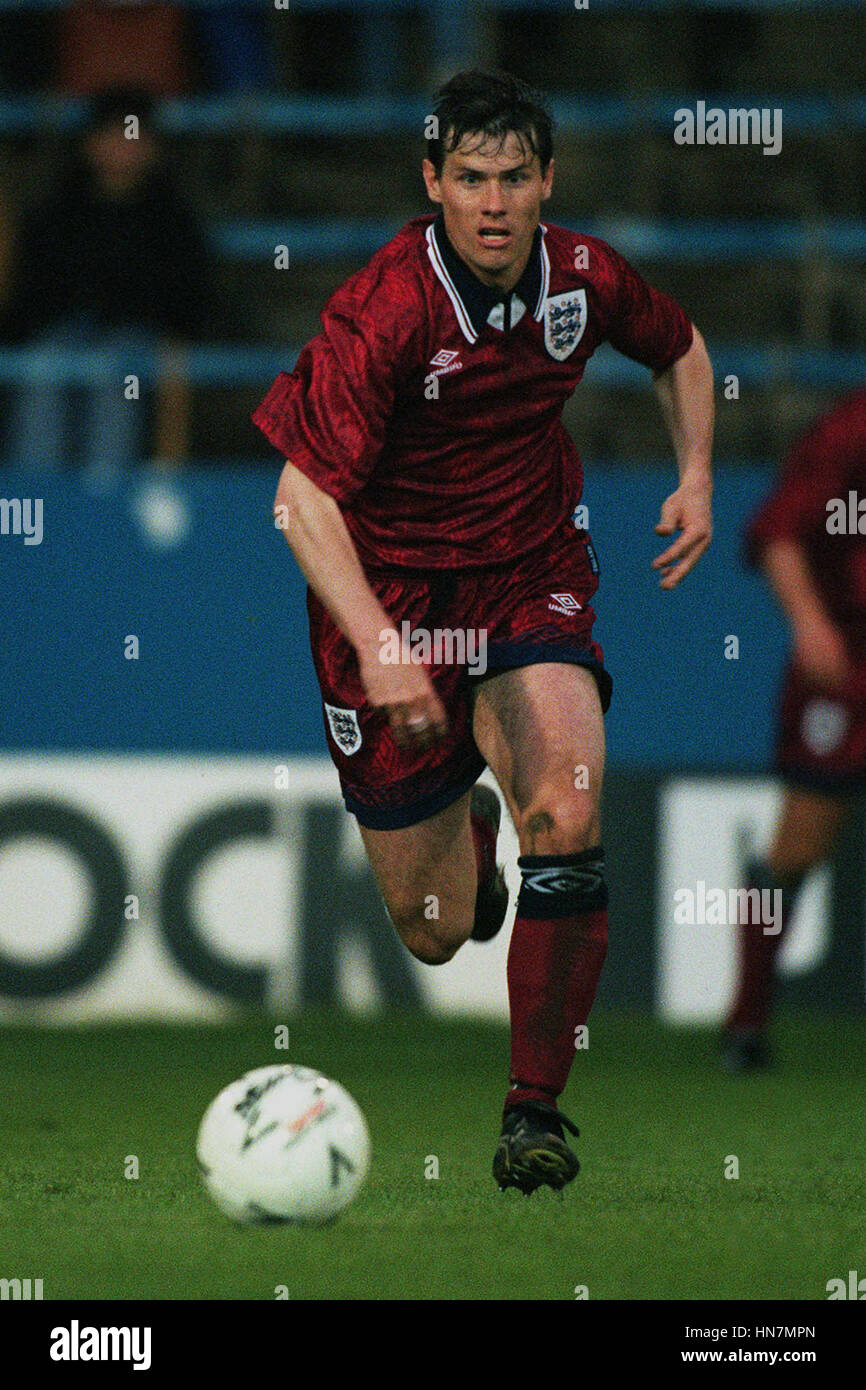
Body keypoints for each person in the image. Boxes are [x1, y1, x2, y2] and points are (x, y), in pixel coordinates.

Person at [254, 70, 714, 1193]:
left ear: (546, 181)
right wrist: (375, 640)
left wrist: (695, 473)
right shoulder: (386, 311)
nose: (494, 201)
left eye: (514, 177)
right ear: (433, 183)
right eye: (470, 177)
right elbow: (298, 500)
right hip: (390, 601)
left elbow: (680, 347)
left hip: (526, 577)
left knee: (565, 800)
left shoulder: (585, 276)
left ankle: (532, 1114)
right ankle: (463, 826)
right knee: (430, 927)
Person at [722, 387, 866, 1072]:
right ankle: (747, 1021)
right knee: (799, 845)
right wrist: (810, 625)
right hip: (849, 662)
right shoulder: (849, 429)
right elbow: (779, 533)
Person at [3, 85, 211, 472]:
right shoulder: (56, 210)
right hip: (62, 337)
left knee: (112, 376)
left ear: (153, 147)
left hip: (135, 343)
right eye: (112, 134)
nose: (123, 145)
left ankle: (104, 495)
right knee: (41, 368)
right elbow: (28, 298)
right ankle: (35, 496)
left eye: (133, 135)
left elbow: (186, 305)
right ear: (89, 143)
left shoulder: (173, 219)